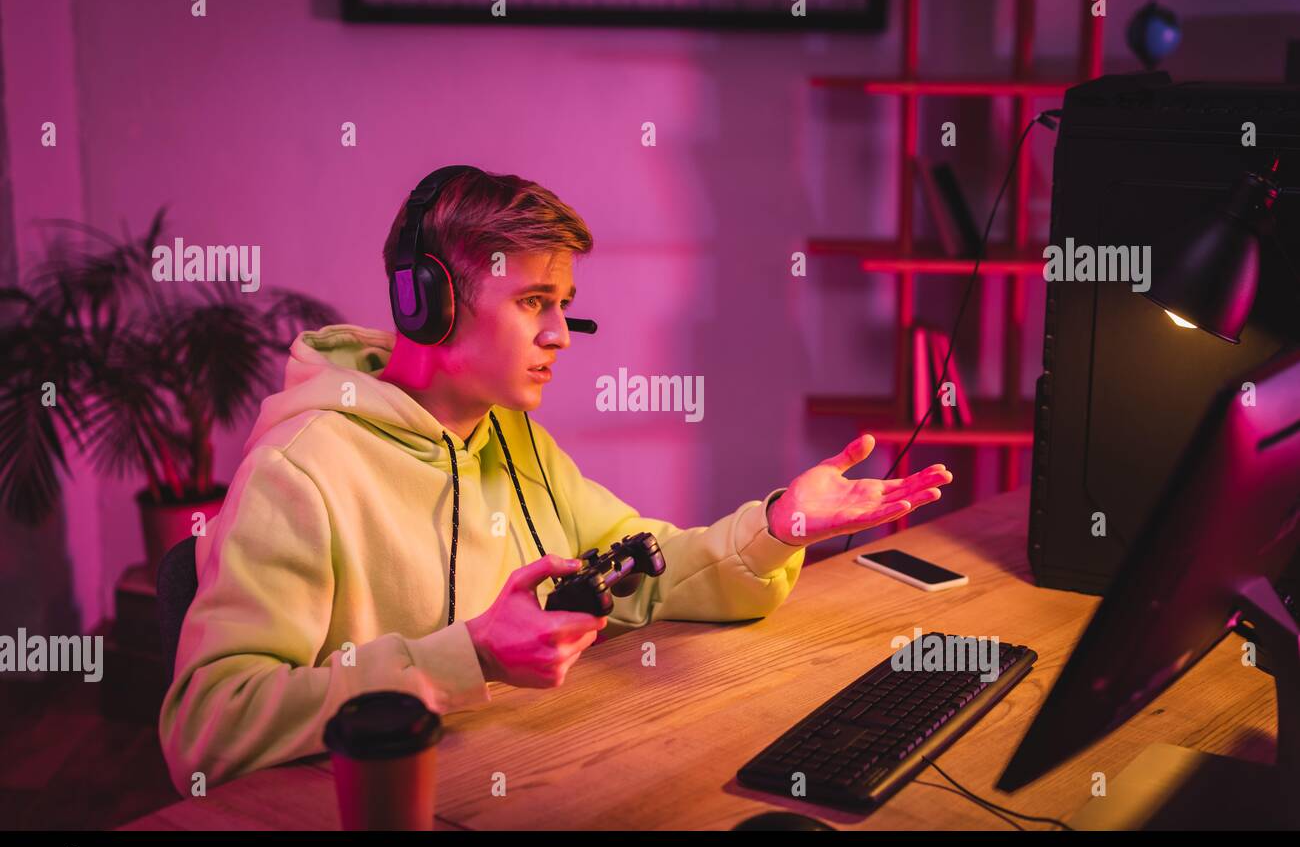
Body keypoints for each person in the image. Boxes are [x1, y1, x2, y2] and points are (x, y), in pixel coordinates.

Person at [158, 167, 953, 795]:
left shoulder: (514, 439)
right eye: (535, 300)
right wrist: (466, 653)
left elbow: (651, 569)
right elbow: (207, 728)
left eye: (564, 303)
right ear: (426, 303)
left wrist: (779, 525)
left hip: (516, 787)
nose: (560, 334)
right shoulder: (303, 470)